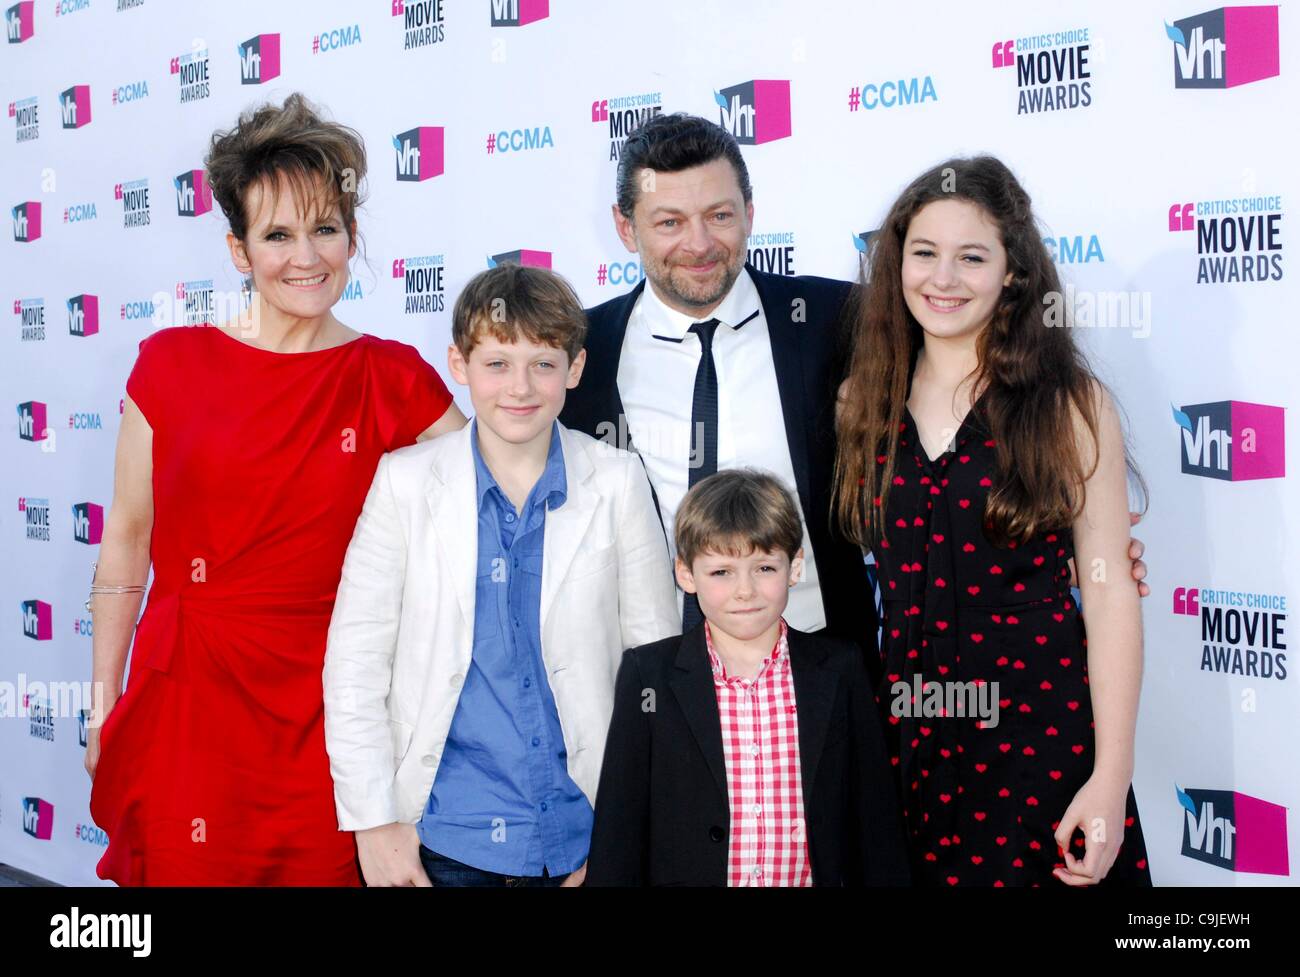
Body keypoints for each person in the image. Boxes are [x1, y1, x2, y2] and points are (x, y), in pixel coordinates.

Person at [559, 113, 1152, 684]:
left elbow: (982, 399)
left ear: (750, 212)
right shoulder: (575, 357)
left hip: (830, 675)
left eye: (719, 214)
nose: (699, 243)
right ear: (624, 226)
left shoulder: (841, 322)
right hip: (657, 675)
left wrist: (1073, 543)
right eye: (668, 222)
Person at [85, 93, 466, 885]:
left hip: (326, 709)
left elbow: (499, 494)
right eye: (278, 235)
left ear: (353, 238)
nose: (306, 256)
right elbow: (125, 545)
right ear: (238, 248)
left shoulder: (393, 378)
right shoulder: (169, 365)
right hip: (189, 698)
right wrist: (103, 697)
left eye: (325, 228)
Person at [833, 155, 1152, 887]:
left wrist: (1110, 779)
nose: (943, 278)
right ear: (895, 263)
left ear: (1013, 272)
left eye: (971, 257)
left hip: (1042, 746)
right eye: (924, 253)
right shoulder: (861, 401)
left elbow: (1106, 596)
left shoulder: (1069, 404)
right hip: (907, 748)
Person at [323, 263, 679, 887]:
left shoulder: (618, 482)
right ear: (459, 365)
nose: (520, 387)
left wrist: (623, 834)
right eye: (497, 363)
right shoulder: (404, 484)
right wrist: (374, 825)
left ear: (574, 369)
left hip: (582, 835)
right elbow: (356, 663)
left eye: (543, 363)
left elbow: (654, 669)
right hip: (442, 843)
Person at [586, 468, 909, 886]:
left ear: (794, 568)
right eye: (722, 571)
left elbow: (875, 820)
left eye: (764, 569)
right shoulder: (647, 675)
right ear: (686, 574)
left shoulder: (840, 668)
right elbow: (620, 829)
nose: (745, 590)